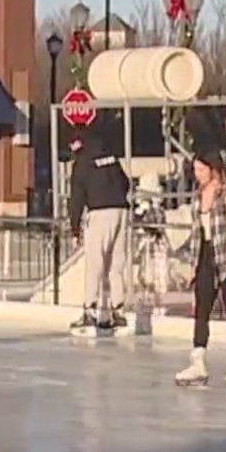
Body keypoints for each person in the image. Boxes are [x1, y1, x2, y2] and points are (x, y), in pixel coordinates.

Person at [176, 149, 226, 386]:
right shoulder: (199, 196)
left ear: (212, 168)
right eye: (195, 170)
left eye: (200, 169)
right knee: (201, 309)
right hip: (206, 255)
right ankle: (198, 361)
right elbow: (198, 233)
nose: (196, 175)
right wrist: (192, 265)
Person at [66, 121, 133, 333]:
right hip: (121, 211)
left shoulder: (82, 161)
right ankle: (118, 311)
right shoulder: (110, 155)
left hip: (99, 212)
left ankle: (90, 310)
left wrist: (75, 228)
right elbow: (126, 183)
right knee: (116, 263)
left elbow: (76, 198)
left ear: (76, 144)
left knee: (94, 263)